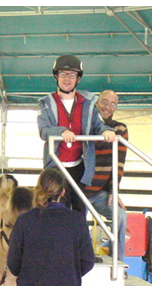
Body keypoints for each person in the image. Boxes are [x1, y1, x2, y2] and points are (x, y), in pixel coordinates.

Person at [37, 54, 116, 215]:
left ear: (78, 79)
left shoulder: (87, 103)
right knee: (57, 211)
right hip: (56, 168)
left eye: (72, 75)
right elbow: (44, 130)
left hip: (80, 168)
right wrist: (61, 131)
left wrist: (106, 131)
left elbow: (97, 124)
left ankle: (79, 239)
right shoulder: (46, 104)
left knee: (80, 210)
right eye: (63, 75)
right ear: (56, 77)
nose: (67, 79)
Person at [85, 89, 129, 259]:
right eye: (104, 102)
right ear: (96, 102)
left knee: (121, 215)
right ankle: (84, 260)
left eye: (113, 104)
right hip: (80, 189)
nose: (107, 107)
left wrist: (114, 191)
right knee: (77, 222)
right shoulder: (85, 125)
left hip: (100, 192)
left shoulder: (120, 129)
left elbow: (119, 162)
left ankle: (117, 262)